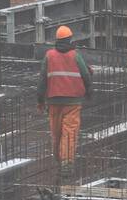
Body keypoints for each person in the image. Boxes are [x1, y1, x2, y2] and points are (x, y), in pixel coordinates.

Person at [36, 26, 92, 179]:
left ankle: (59, 160)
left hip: (53, 101)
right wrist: (88, 90)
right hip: (72, 102)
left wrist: (40, 99)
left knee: (57, 132)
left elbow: (42, 79)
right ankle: (67, 163)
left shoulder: (49, 55)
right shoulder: (75, 55)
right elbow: (86, 74)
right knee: (69, 132)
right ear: (70, 39)